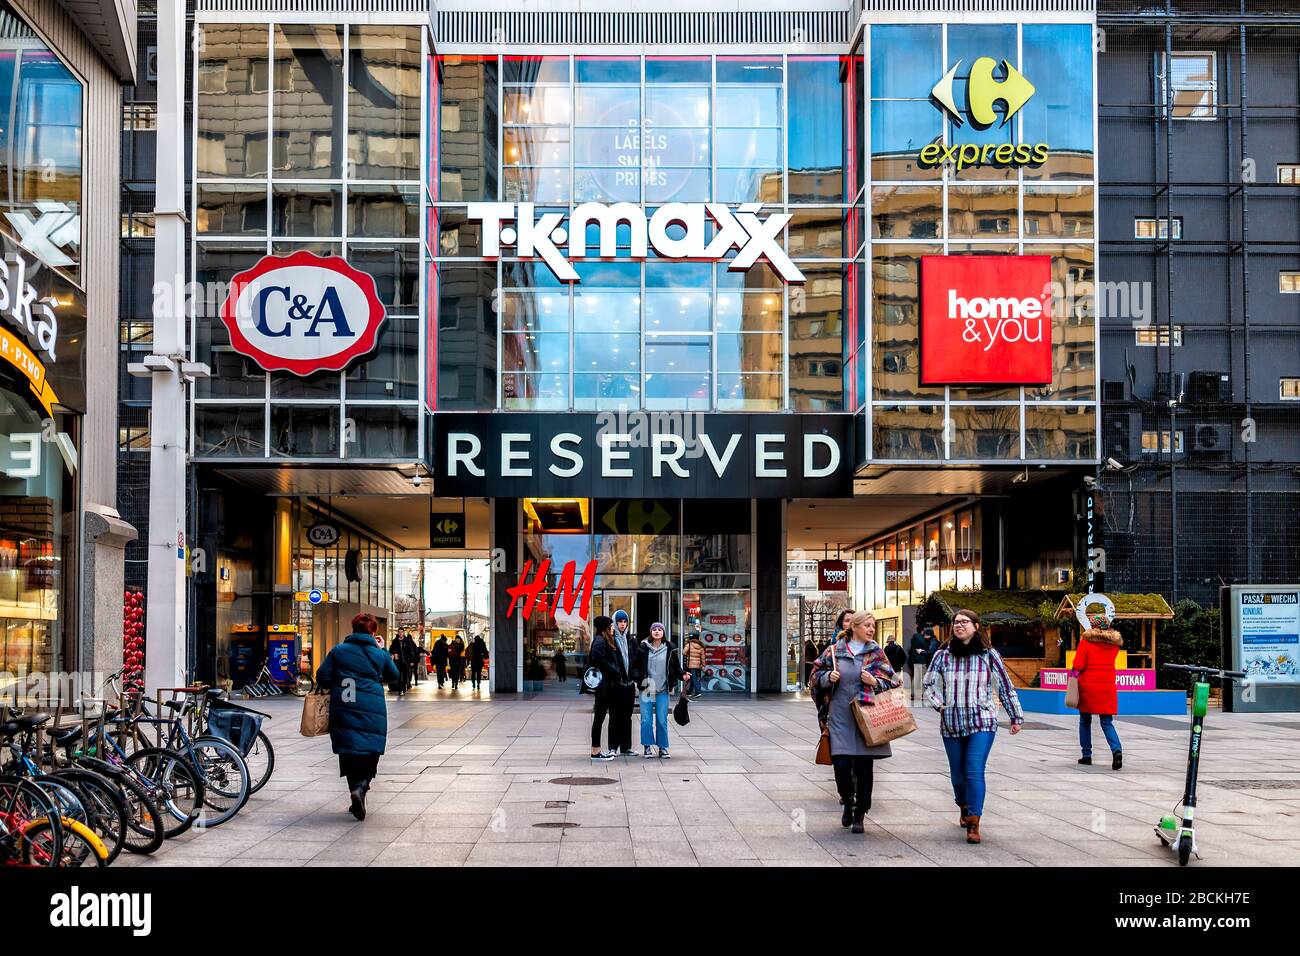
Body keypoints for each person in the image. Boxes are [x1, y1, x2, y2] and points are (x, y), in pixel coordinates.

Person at [923, 609, 1024, 845]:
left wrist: (1015, 716)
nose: (959, 626)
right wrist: (940, 705)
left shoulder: (989, 655)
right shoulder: (942, 656)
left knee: (974, 769)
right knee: (958, 777)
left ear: (976, 626)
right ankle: (964, 805)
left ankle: (974, 821)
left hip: (982, 721)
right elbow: (928, 684)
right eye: (956, 623)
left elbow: (1006, 687)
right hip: (952, 723)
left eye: (964, 622)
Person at [811, 610, 898, 834]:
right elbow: (813, 675)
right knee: (841, 766)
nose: (871, 629)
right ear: (854, 627)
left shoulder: (876, 653)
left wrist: (875, 681)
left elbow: (893, 681)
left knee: (864, 768)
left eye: (873, 625)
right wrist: (825, 678)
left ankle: (860, 813)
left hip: (867, 718)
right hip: (840, 716)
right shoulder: (834, 651)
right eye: (867, 625)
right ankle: (847, 801)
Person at [315, 613, 399, 821]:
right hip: (372, 708)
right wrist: (384, 650)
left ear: (353, 630)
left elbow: (322, 676)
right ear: (373, 632)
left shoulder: (339, 651)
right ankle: (362, 787)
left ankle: (354, 789)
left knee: (349, 751)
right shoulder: (378, 654)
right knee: (371, 749)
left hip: (344, 705)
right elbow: (393, 677)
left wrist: (339, 680)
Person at [1072, 615, 1125, 769]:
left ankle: (1086, 755)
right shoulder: (1114, 645)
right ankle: (1117, 751)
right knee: (1107, 722)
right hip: (1107, 687)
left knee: (1085, 720)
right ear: (1108, 627)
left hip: (1088, 686)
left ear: (1092, 626)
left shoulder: (1086, 642)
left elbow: (1078, 664)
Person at [629, 622, 687, 759]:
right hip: (647, 688)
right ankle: (647, 746)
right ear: (651, 632)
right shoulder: (643, 648)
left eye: (659, 629)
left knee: (662, 720)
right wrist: (639, 680)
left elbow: (676, 667)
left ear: (663, 633)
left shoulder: (670, 648)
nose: (657, 631)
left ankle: (663, 748)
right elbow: (635, 667)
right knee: (646, 720)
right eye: (654, 629)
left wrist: (683, 674)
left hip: (663, 689)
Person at [603, 609, 636, 755]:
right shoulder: (610, 640)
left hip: (629, 685)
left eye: (624, 622)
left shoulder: (631, 640)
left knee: (627, 717)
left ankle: (626, 747)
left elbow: (635, 660)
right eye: (619, 622)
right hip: (616, 685)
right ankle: (612, 747)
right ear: (615, 623)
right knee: (615, 716)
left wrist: (634, 675)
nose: (622, 624)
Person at [588, 616, 619, 759]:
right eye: (611, 626)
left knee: (599, 717)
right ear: (606, 628)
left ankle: (596, 750)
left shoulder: (602, 640)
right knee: (599, 718)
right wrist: (613, 668)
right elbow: (597, 659)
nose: (613, 628)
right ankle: (596, 751)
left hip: (606, 685)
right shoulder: (600, 641)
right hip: (603, 686)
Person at [907, 628, 932, 701]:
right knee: (924, 678)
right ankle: (923, 694)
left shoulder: (913, 638)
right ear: (922, 630)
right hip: (922, 660)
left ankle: (912, 694)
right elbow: (926, 648)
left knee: (915, 677)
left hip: (915, 660)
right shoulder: (922, 639)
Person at [683, 632, 705, 699]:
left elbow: (683, 652)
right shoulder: (700, 646)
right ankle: (689, 692)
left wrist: (688, 654)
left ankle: (698, 692)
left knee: (693, 678)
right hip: (698, 665)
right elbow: (703, 657)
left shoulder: (689, 644)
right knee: (693, 678)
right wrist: (703, 665)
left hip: (690, 665)